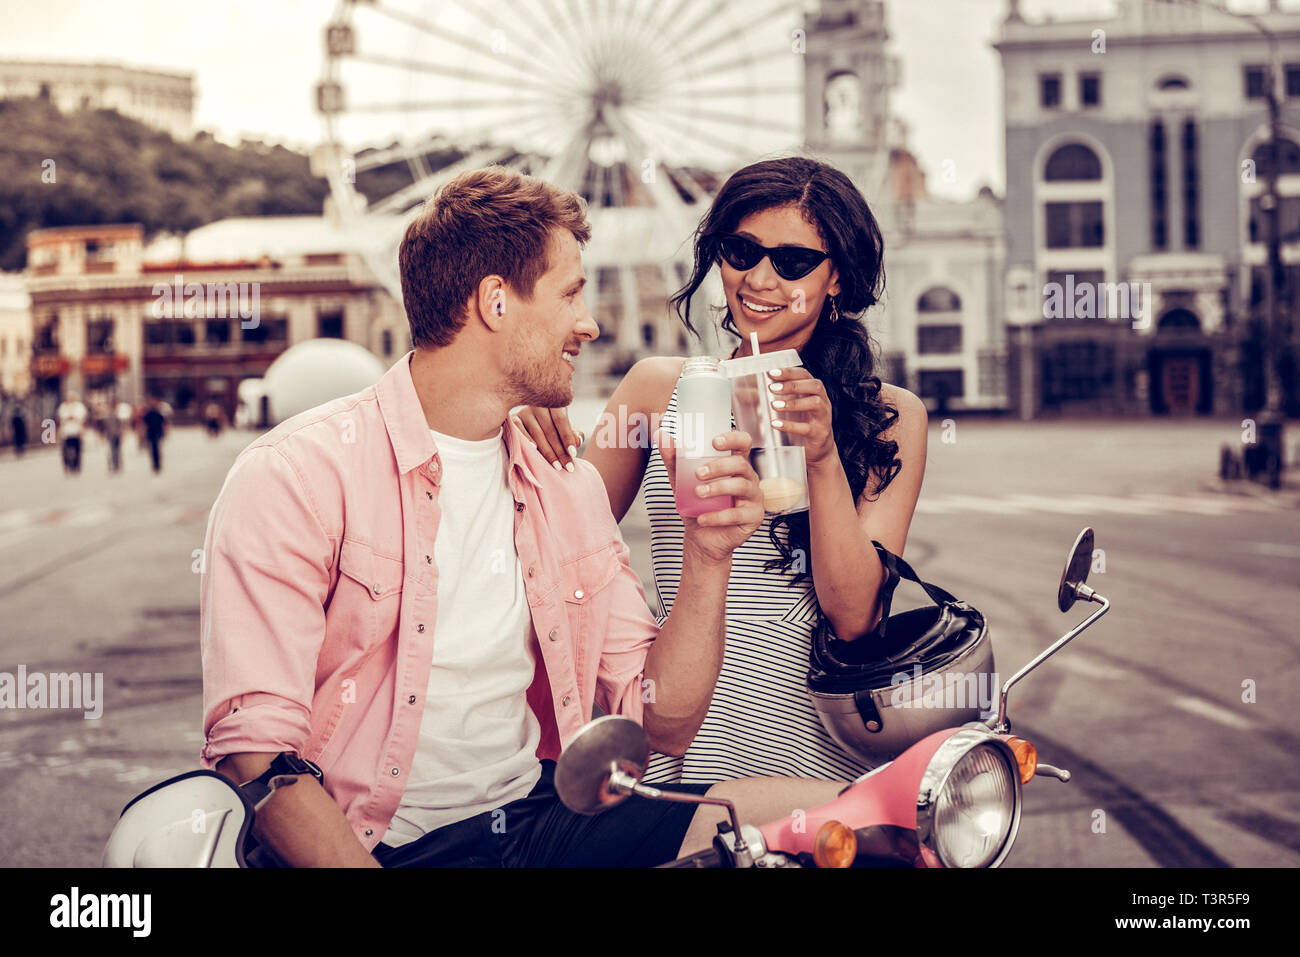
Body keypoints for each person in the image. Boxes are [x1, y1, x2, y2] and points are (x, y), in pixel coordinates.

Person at [198, 166, 844, 868]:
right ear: (496, 303)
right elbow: (258, 756)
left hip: (536, 822)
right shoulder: (296, 473)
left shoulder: (563, 487)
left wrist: (709, 556)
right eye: (570, 294)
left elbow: (661, 722)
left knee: (834, 816)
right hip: (374, 845)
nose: (589, 324)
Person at [513, 156, 929, 784]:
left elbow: (855, 616)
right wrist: (518, 426)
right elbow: (559, 533)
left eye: (791, 262)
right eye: (740, 251)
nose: (759, 277)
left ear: (837, 277)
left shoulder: (892, 417)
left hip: (817, 762)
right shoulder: (658, 390)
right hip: (676, 745)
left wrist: (820, 459)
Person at [56, 391, 88, 474]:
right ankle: (67, 465)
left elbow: (82, 419)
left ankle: (76, 466)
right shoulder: (63, 407)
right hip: (66, 432)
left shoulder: (79, 407)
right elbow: (61, 419)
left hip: (76, 431)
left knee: (77, 449)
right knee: (65, 450)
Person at [142, 398, 166, 472]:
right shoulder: (148, 413)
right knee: (153, 449)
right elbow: (144, 424)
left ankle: (157, 464)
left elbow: (163, 423)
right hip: (151, 433)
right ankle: (155, 464)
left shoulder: (158, 413)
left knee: (156, 449)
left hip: (157, 432)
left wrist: (164, 432)